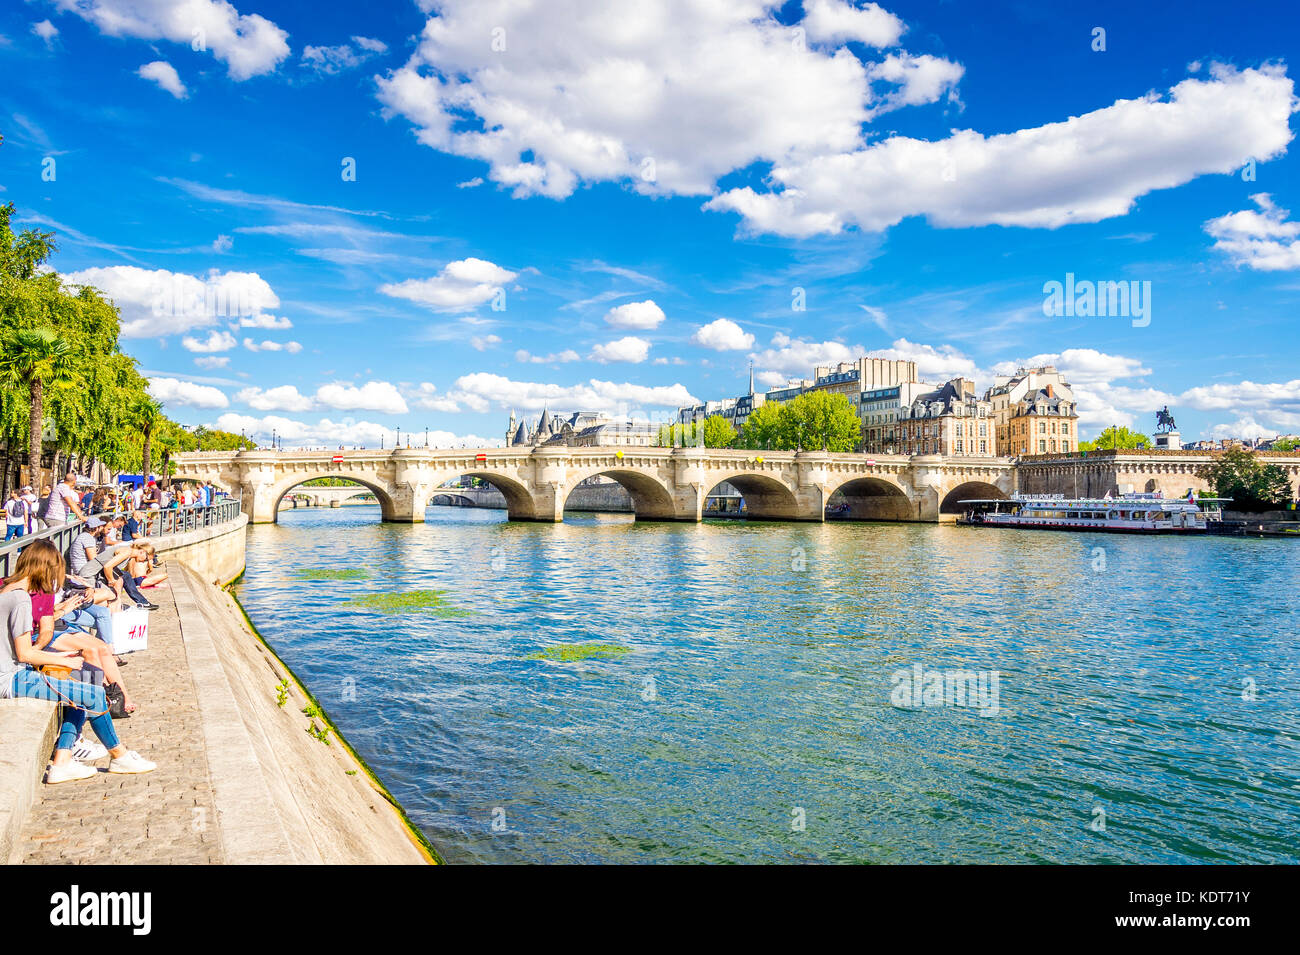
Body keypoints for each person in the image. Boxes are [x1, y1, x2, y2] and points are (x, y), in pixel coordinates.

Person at [0, 580, 155, 782]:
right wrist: (63, 660)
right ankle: (119, 755)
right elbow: (24, 653)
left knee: (81, 691)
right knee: (95, 694)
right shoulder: (20, 599)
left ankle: (62, 760)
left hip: (18, 672)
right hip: (12, 679)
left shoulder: (11, 592)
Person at [2, 542, 139, 715]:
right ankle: (102, 700)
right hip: (32, 640)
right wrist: (63, 610)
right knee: (90, 651)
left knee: (102, 648)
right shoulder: (13, 592)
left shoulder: (43, 590)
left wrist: (35, 649)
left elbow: (47, 628)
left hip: (49, 633)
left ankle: (122, 696)